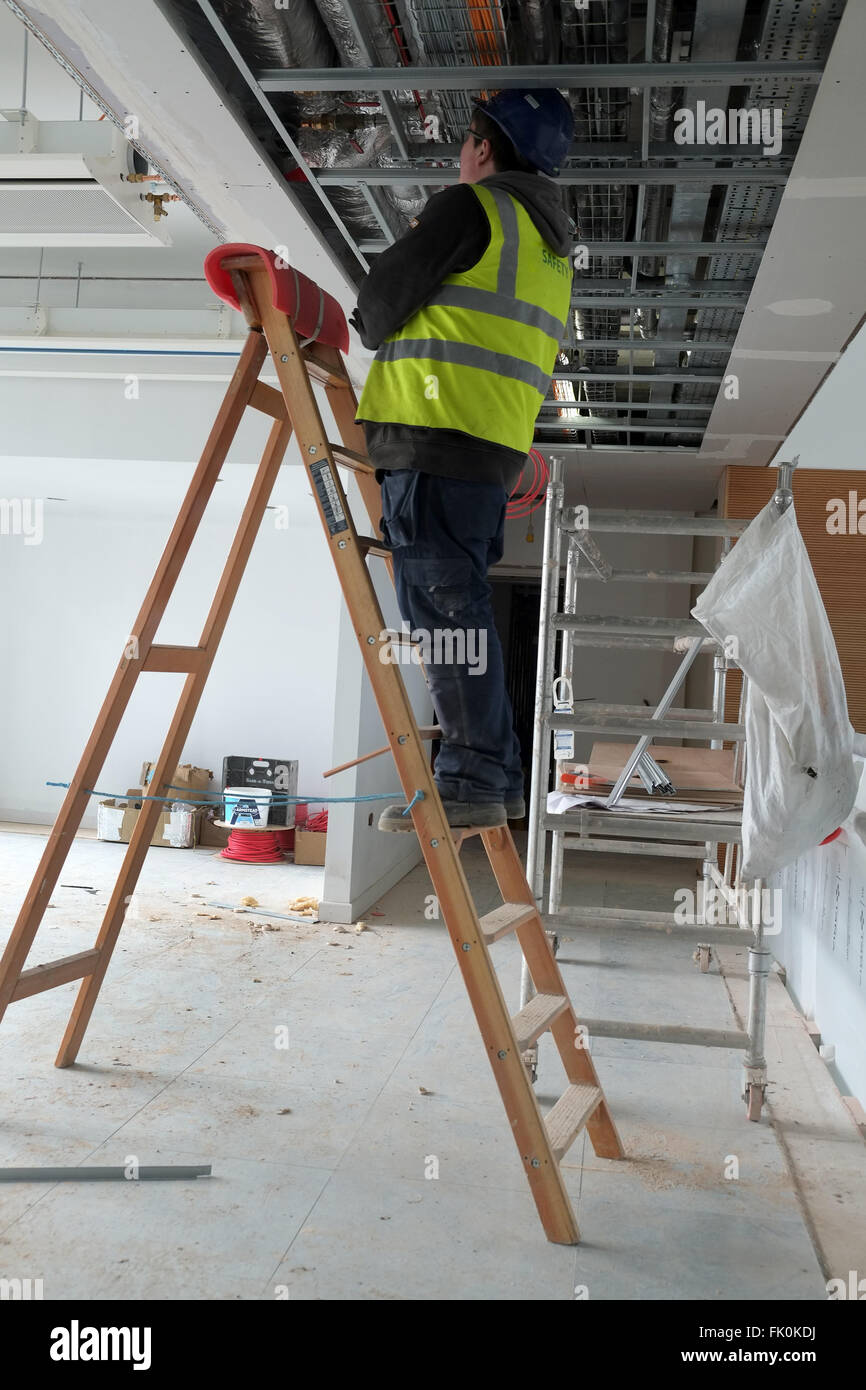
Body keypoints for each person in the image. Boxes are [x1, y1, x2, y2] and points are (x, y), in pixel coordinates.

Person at [350, 88, 574, 832]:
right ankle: (492, 777)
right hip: (482, 456)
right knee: (456, 612)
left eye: (465, 144)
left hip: (435, 438)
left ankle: (476, 778)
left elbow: (377, 316)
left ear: (483, 148)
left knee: (447, 617)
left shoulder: (473, 207)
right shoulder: (551, 248)